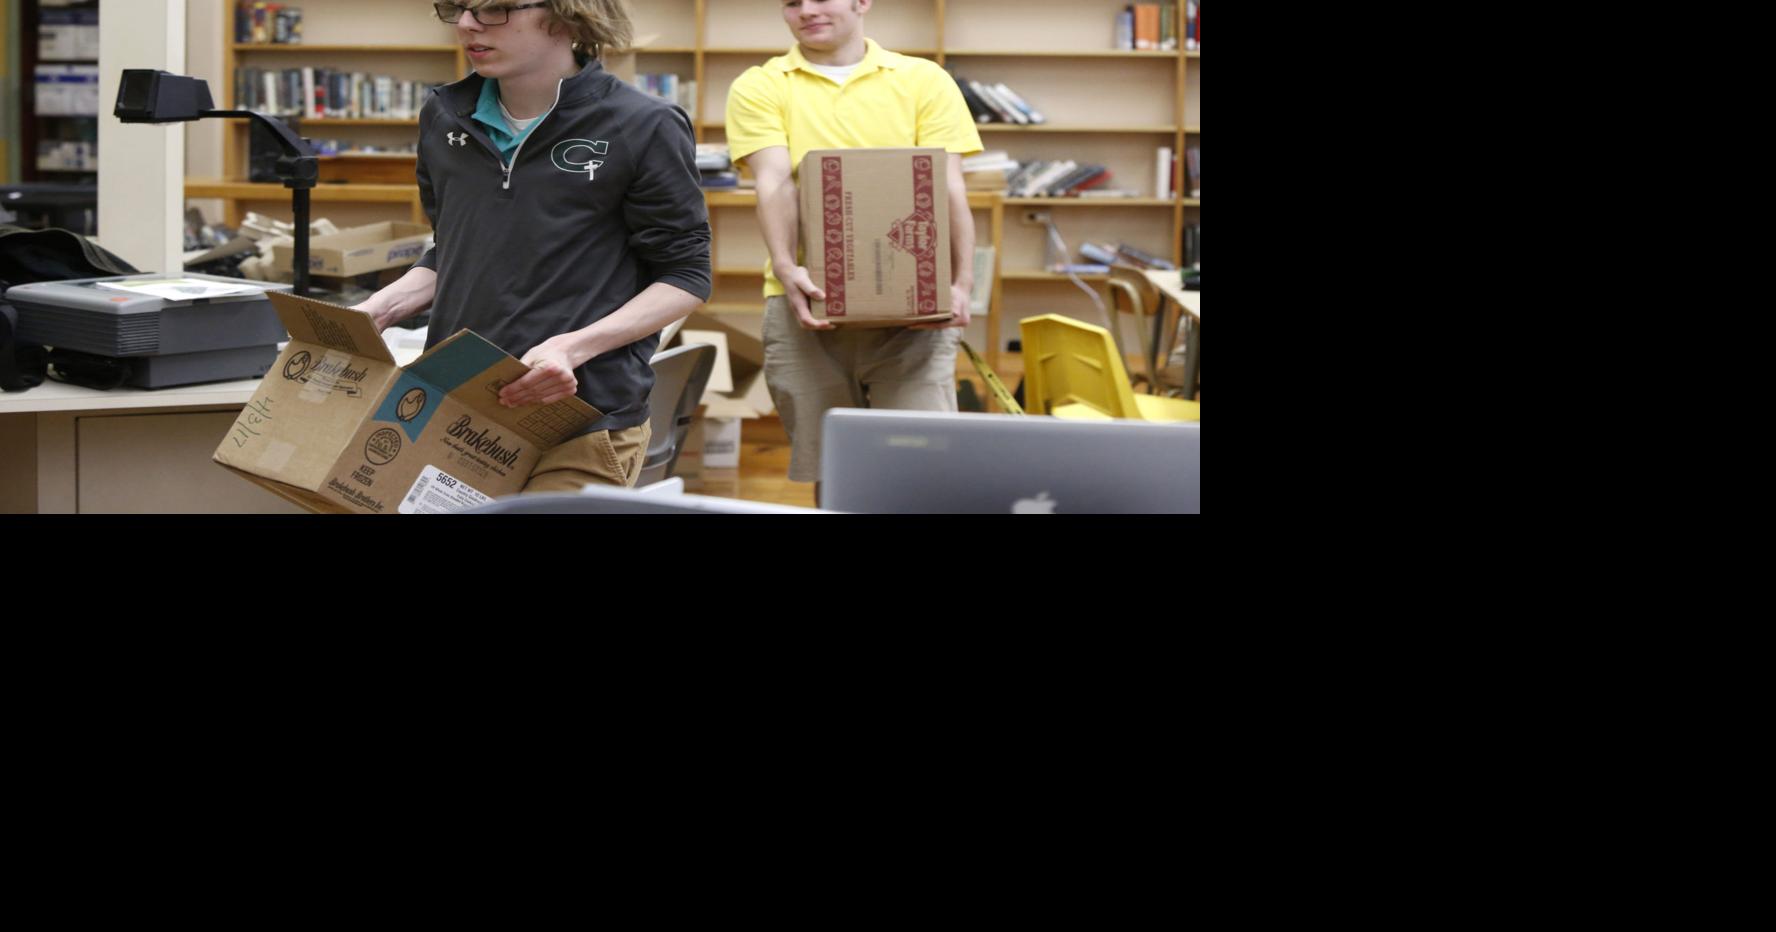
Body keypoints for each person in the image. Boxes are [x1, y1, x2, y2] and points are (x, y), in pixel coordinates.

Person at [355, 0, 711, 491]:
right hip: (457, 407)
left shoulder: (642, 124)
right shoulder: (443, 114)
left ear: (568, 15)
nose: (466, 25)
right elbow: (456, 247)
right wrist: (382, 305)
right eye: (456, 8)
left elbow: (686, 275)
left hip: (583, 418)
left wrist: (571, 347)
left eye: (494, 9)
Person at [725, 0, 982, 498]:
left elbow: (949, 187)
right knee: (836, 470)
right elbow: (774, 182)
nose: (806, 11)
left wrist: (961, 283)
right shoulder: (761, 85)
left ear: (863, 1)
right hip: (806, 304)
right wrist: (785, 266)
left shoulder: (923, 80)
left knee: (918, 467)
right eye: (792, 2)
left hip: (913, 317)